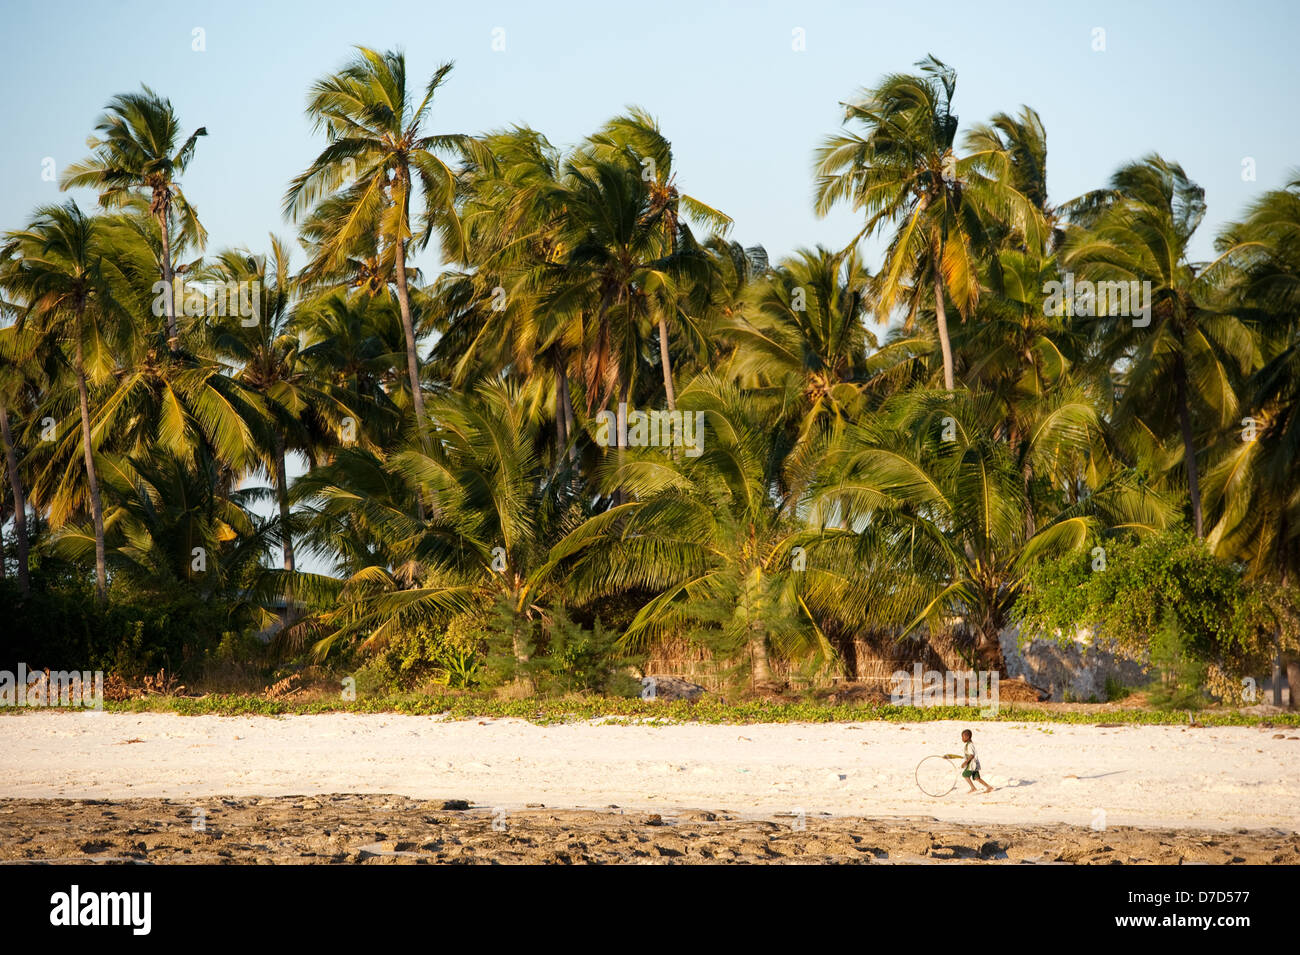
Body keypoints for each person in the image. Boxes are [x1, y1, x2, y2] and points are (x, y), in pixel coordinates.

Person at [960, 728, 994, 794]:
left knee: (965, 775)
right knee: (977, 778)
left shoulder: (969, 745)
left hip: (972, 764)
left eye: (963, 737)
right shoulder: (969, 744)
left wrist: (965, 762)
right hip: (975, 764)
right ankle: (989, 787)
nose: (962, 738)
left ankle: (973, 788)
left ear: (967, 737)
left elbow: (971, 755)